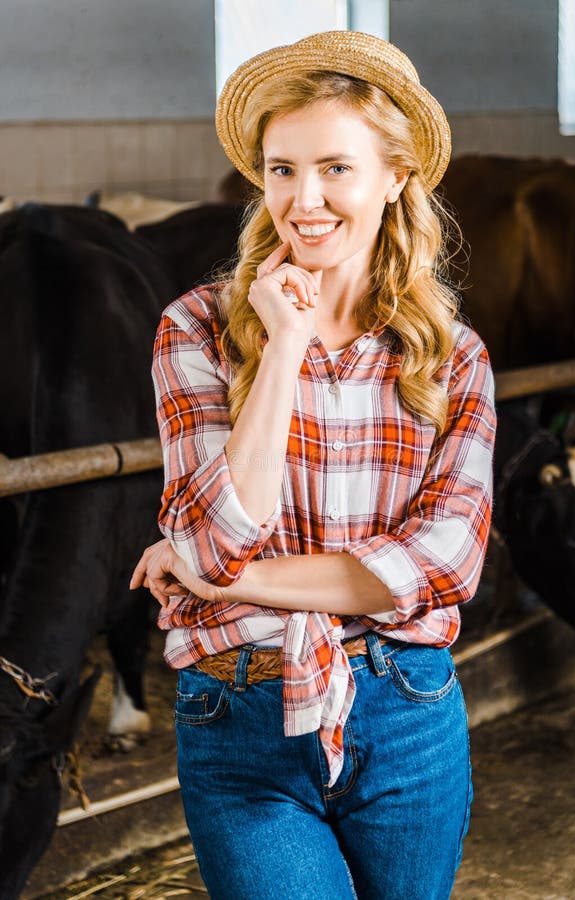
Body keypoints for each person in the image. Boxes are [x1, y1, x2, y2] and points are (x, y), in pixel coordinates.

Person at [130, 30, 496, 900]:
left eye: (336, 167)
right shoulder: (197, 328)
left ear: (395, 177)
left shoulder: (452, 356)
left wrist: (221, 583)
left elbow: (445, 564)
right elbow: (218, 540)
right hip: (239, 711)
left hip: (404, 709)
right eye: (282, 170)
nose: (304, 200)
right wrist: (284, 345)